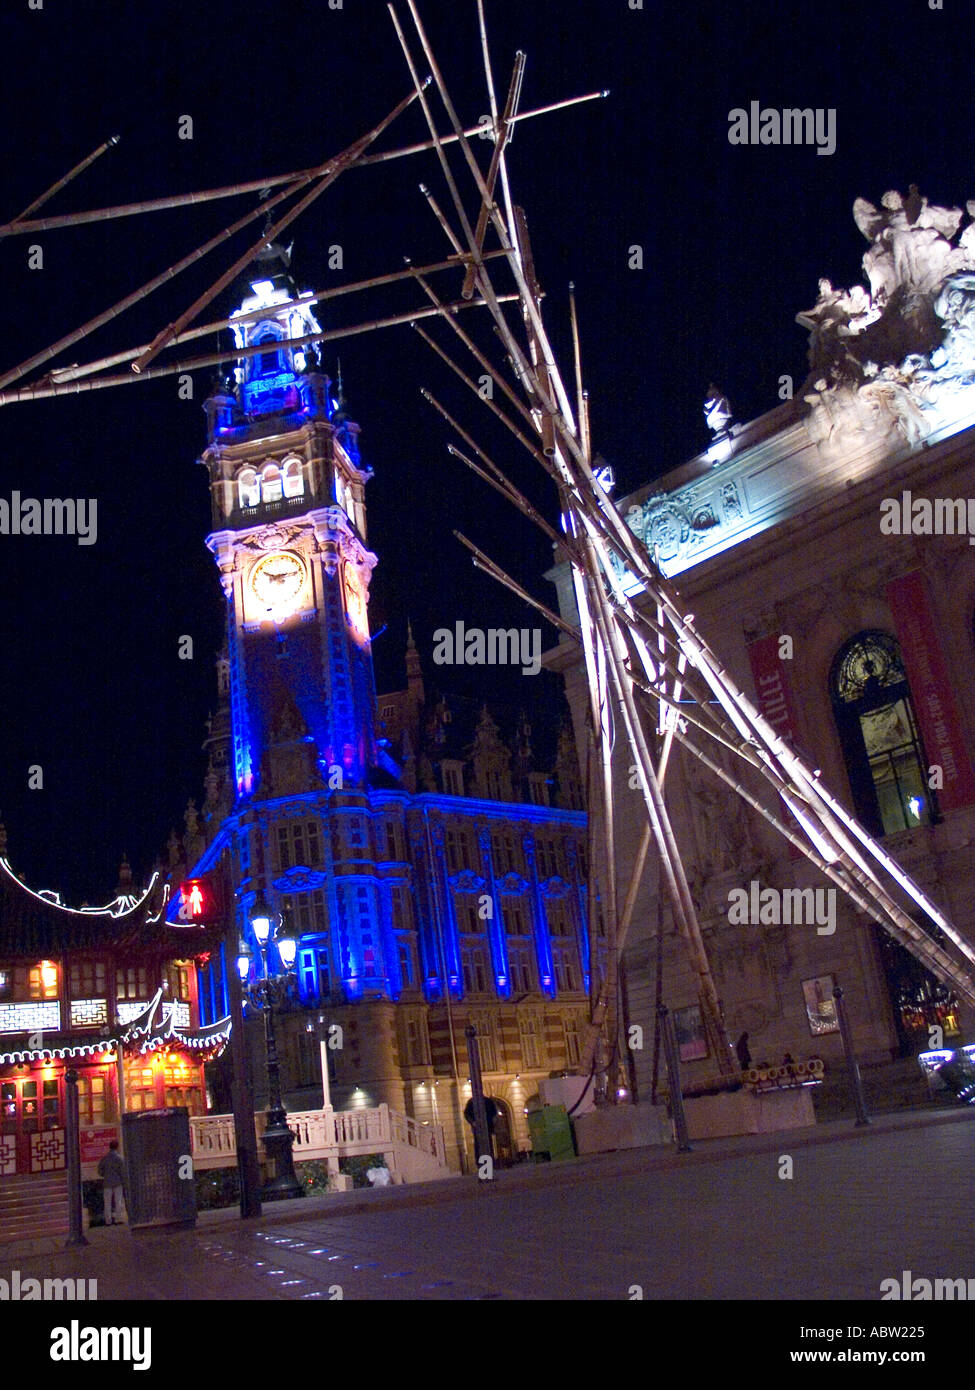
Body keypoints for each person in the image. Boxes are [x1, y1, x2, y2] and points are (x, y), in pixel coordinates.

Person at [98, 1140, 126, 1226]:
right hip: (117, 1182)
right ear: (117, 1147)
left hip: (107, 1183)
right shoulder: (119, 1158)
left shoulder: (105, 1158)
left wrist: (104, 1175)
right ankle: (118, 1219)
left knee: (107, 1202)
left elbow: (100, 1170)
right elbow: (122, 1171)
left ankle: (108, 1221)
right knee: (118, 1201)